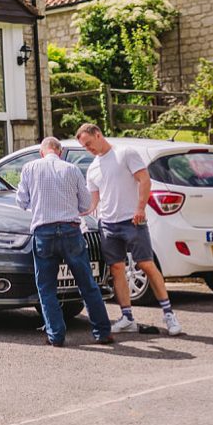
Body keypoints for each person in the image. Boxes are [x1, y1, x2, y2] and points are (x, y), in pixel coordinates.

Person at [75, 122, 183, 335]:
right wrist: (82, 213)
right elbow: (94, 201)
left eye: (89, 144)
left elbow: (144, 180)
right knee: (117, 269)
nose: (88, 149)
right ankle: (127, 317)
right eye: (84, 147)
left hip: (132, 220)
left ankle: (169, 315)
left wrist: (140, 208)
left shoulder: (125, 153)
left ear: (98, 134)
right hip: (107, 224)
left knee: (146, 264)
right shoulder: (93, 168)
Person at [13, 135, 114, 348]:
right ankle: (102, 332)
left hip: (43, 231)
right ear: (59, 151)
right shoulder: (72, 169)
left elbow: (21, 201)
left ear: (42, 152)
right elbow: (86, 204)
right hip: (70, 230)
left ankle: (56, 335)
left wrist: (38, 203)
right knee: (87, 283)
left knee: (47, 287)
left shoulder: (30, 168)